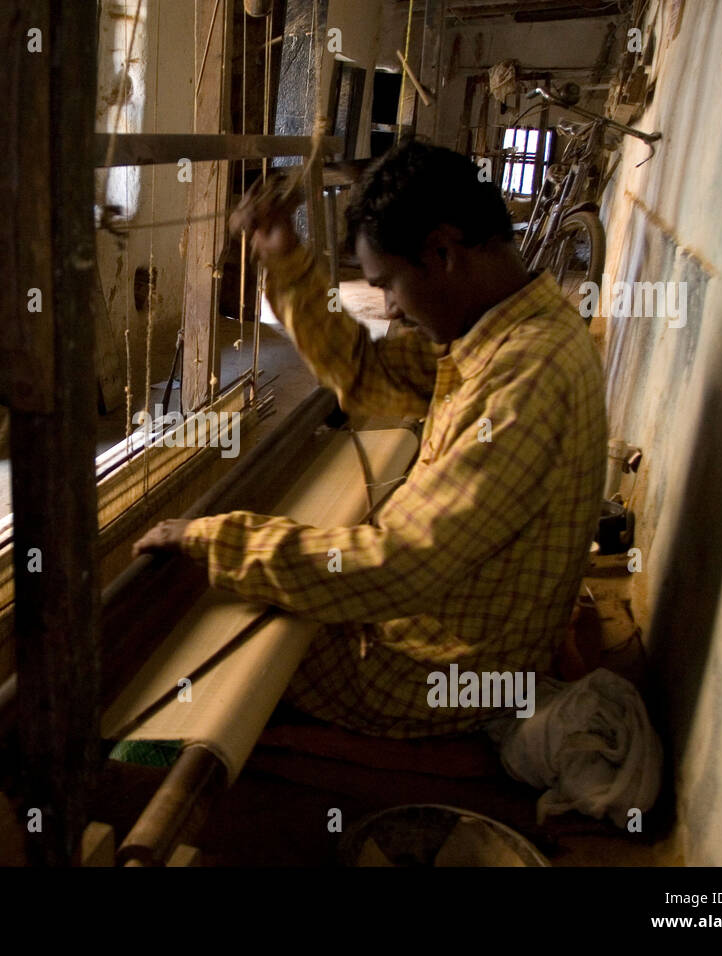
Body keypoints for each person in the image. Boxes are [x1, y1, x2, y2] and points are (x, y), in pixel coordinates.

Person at [132, 140, 608, 737]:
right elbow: (367, 374)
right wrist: (284, 255)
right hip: (468, 621)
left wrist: (213, 544)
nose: (388, 307)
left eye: (388, 284)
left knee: (199, 646)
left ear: (443, 250)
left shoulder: (527, 378)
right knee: (257, 603)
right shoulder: (506, 332)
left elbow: (398, 569)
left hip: (446, 672)